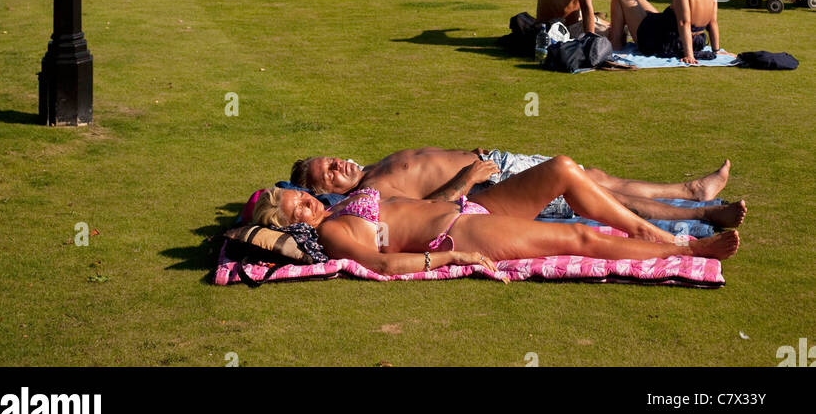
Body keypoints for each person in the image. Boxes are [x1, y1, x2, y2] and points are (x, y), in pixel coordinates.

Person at [250, 167, 740, 274]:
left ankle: (651, 230)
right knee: (579, 237)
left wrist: (464, 182)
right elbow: (382, 264)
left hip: (469, 208)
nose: (308, 207)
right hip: (459, 230)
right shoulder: (334, 232)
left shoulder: (335, 206)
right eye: (299, 212)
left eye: (302, 200)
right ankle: (683, 248)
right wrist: (451, 256)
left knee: (564, 170)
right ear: (293, 226)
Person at [290, 149, 744, 228]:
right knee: (598, 197)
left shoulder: (373, 167)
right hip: (493, 185)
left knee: (596, 177)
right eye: (327, 173)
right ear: (326, 192)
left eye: (330, 159)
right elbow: (425, 209)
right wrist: (467, 178)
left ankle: (691, 189)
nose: (337, 165)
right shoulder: (372, 193)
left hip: (497, 163)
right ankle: (700, 216)